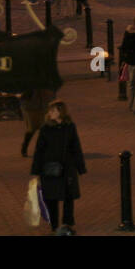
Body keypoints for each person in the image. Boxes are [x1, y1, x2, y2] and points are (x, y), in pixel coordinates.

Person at [30, 100, 87, 233]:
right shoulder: (45, 129)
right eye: (50, 111)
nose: (50, 113)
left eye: (53, 110)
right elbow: (39, 150)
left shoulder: (70, 127)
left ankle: (67, 224)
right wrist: (36, 170)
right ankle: (54, 226)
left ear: (61, 112)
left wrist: (80, 167)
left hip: (67, 168)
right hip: (50, 169)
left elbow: (76, 147)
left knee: (68, 197)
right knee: (51, 198)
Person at [20, 87, 57, 156]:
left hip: (46, 105)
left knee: (46, 128)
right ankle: (25, 146)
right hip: (31, 107)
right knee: (32, 129)